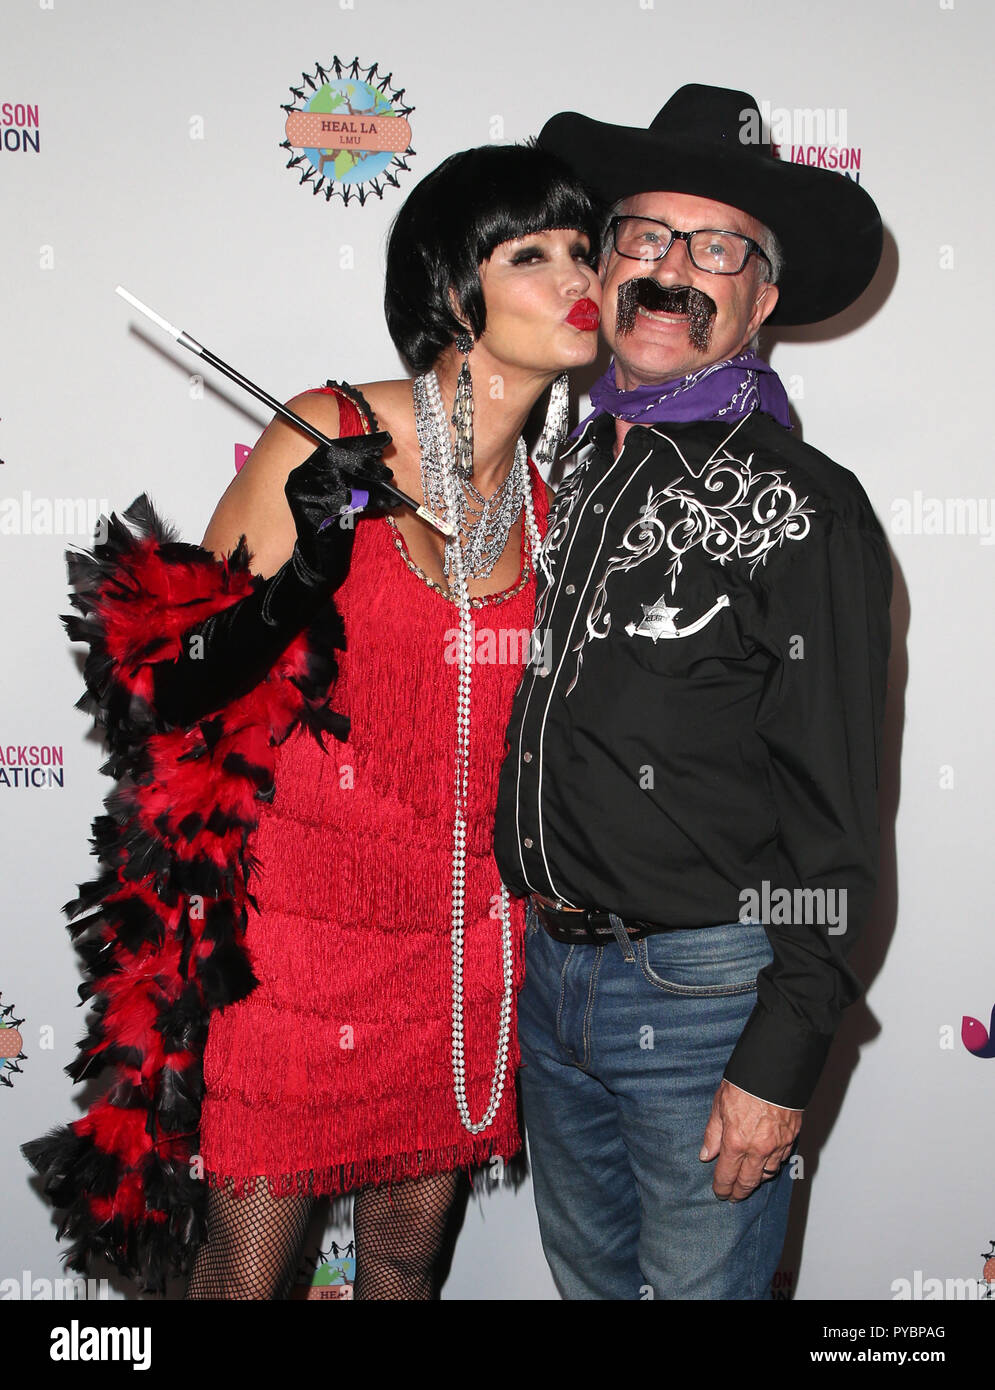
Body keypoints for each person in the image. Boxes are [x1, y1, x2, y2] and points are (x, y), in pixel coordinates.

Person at [23, 143, 603, 1300]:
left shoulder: (551, 510)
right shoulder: (331, 431)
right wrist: (295, 589)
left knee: (401, 1262)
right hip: (288, 949)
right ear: (453, 292)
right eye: (529, 253)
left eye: (582, 249)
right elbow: (161, 681)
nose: (574, 274)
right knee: (242, 1282)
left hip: (455, 955)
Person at [494, 84, 892, 1300]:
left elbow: (835, 819)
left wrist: (778, 1061)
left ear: (759, 296)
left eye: (716, 249)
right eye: (645, 238)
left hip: (705, 997)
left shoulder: (806, 508)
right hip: (546, 981)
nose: (673, 271)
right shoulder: (561, 463)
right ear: (602, 262)